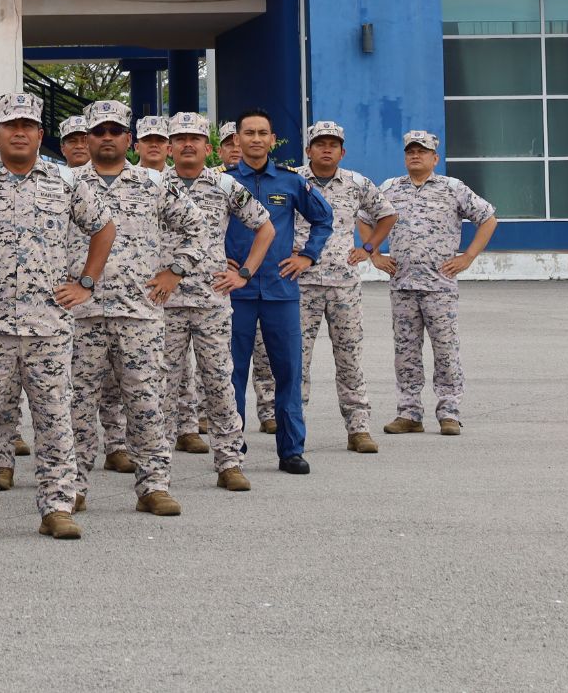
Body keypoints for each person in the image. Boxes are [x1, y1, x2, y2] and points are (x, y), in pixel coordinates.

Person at [0, 92, 115, 542]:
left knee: (55, 418)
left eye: (28, 126)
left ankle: (57, 507)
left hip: (48, 324)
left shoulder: (65, 182)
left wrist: (86, 282)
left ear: (40, 134)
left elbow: (103, 227)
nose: (19, 132)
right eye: (10, 126)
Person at [250, 121, 396, 454]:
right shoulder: (292, 181)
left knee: (350, 357)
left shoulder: (357, 183)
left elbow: (387, 214)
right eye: (320, 143)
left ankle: (358, 428)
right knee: (294, 360)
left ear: (342, 151)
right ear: (309, 149)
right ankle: (291, 430)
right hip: (298, 284)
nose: (326, 149)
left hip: (343, 285)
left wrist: (369, 248)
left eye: (333, 144)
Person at [155, 112, 273, 505]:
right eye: (180, 139)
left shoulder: (225, 185)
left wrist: (245, 272)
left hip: (210, 301)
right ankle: (158, 471)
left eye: (195, 139)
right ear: (169, 147)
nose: (187, 145)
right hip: (164, 303)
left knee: (220, 383)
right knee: (161, 387)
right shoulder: (152, 185)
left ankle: (229, 462)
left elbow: (265, 227)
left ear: (209, 148)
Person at [70, 100, 172, 511]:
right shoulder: (65, 182)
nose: (107, 137)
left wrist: (175, 271)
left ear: (128, 138)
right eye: (99, 132)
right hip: (81, 315)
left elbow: (196, 225)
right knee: (75, 404)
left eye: (115, 131)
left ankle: (154, 486)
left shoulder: (154, 184)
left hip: (139, 313)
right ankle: (70, 486)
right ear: (87, 139)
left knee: (146, 401)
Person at [224, 109, 333, 476]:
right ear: (236, 140)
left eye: (263, 133)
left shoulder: (291, 183)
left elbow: (323, 219)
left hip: (280, 291)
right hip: (232, 293)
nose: (256, 139)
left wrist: (307, 256)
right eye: (248, 133)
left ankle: (290, 450)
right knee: (231, 373)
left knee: (287, 372)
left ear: (273, 140)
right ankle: (231, 449)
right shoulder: (221, 182)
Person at [377, 131, 497, 436]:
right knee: (405, 351)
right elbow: (365, 216)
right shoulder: (390, 188)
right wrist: (374, 254)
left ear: (435, 158)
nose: (415, 155)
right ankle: (409, 413)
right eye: (410, 151)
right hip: (402, 284)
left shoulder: (452, 188)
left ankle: (449, 411)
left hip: (439, 286)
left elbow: (488, 219)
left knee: (445, 350)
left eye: (422, 151)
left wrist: (468, 257)